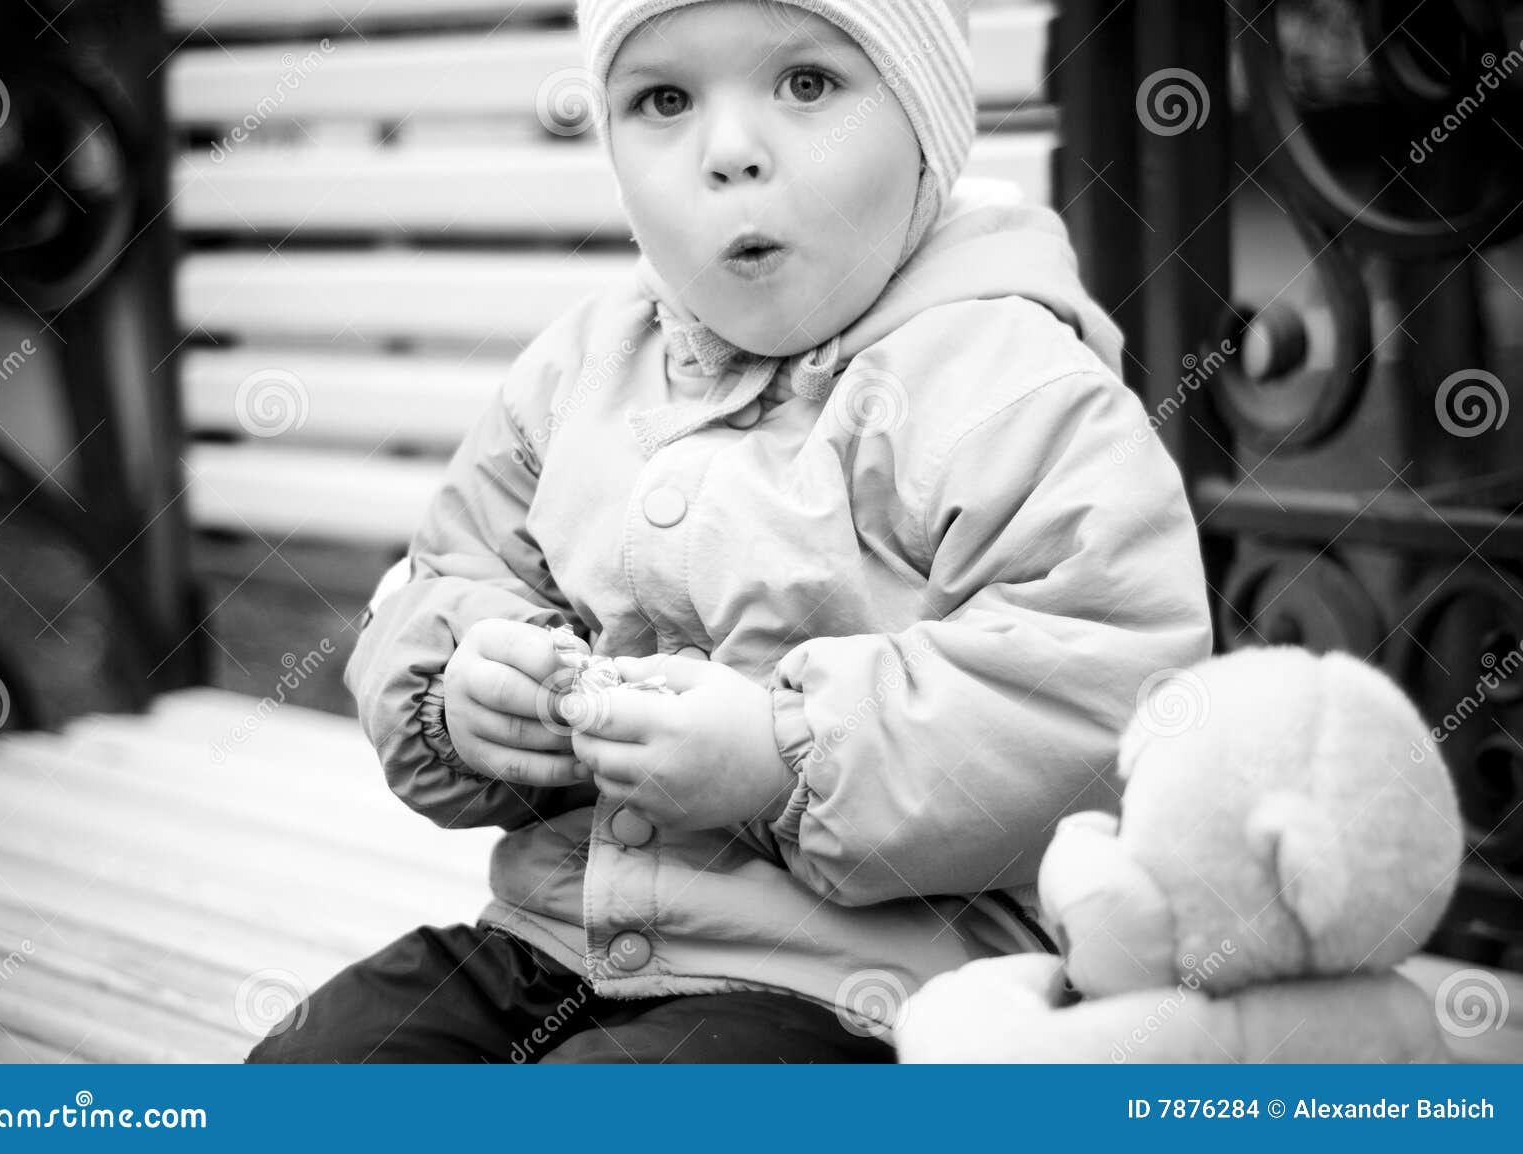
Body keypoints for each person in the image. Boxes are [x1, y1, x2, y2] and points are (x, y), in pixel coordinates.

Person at [247, 0, 1214, 1064]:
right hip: (556, 937)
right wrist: (466, 689)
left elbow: (1097, 695)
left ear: (926, 121)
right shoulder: (578, 375)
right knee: (316, 1064)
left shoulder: (1008, 384)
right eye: (663, 99)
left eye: (807, 85)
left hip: (871, 988)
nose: (731, 153)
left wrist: (784, 757)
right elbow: (452, 568)